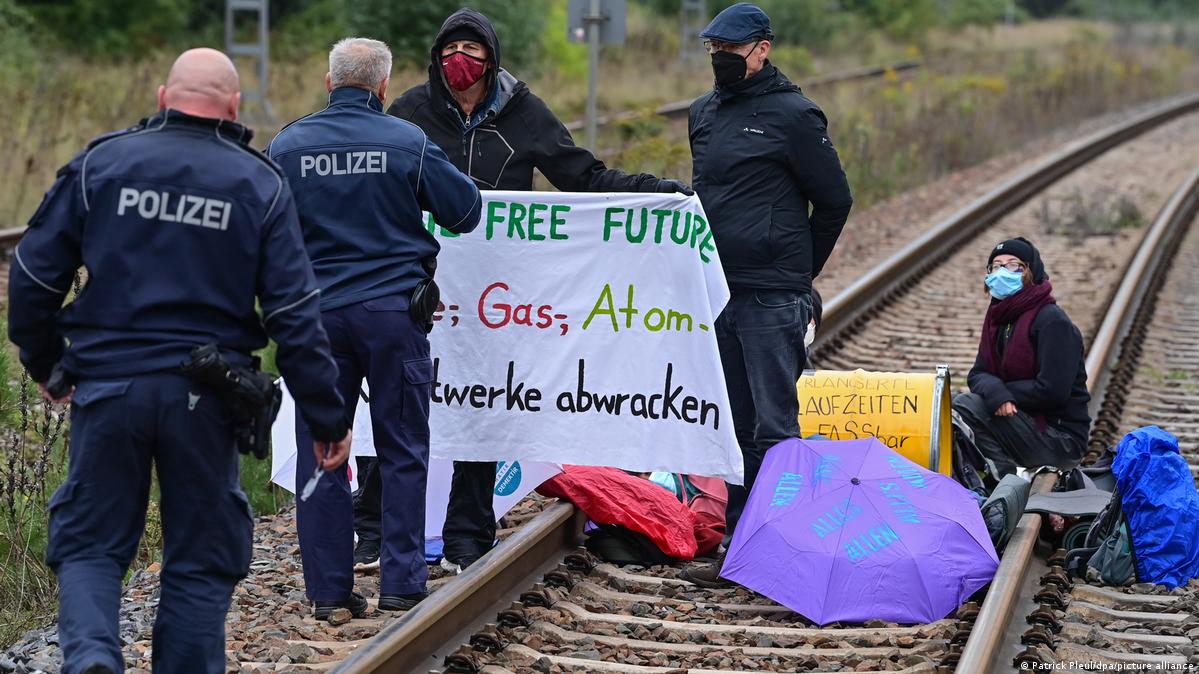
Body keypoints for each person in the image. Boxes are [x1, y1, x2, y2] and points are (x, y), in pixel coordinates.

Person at [8, 49, 350, 674]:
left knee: (89, 544)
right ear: (234, 108)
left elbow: (32, 278)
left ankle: (90, 662)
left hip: (109, 387)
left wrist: (48, 364)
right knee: (201, 556)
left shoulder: (102, 164)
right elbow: (296, 316)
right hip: (207, 396)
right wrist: (327, 416)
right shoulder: (259, 185)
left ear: (165, 97)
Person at [346, 7, 692, 574]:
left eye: (473, 51)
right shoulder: (408, 112)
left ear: (492, 59)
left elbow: (583, 174)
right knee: (398, 403)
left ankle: (467, 536)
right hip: (418, 287)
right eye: (451, 50)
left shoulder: (524, 112)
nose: (461, 61)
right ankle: (373, 528)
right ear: (436, 60)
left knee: (485, 406)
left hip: (498, 297)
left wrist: (654, 195)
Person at [267, 37, 482, 618]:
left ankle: (330, 594)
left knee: (322, 451)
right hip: (392, 317)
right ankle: (401, 585)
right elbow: (465, 211)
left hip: (314, 322)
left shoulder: (288, 145)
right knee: (403, 447)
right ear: (384, 87)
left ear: (328, 81)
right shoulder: (407, 142)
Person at [679, 3, 853, 587]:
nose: (719, 59)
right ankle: (738, 541)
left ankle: (782, 548)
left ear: (762, 49)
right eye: (713, 50)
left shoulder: (796, 115)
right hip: (717, 290)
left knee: (776, 426)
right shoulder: (703, 112)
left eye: (729, 50)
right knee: (730, 424)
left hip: (772, 295)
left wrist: (797, 272)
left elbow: (835, 201)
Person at [953, 237, 1090, 478]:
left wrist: (1004, 394)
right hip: (1024, 424)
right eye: (996, 266)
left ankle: (1002, 480)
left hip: (1059, 439)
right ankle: (1002, 474)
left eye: (1013, 265)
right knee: (954, 405)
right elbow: (978, 373)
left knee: (967, 405)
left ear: (1030, 271)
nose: (1002, 272)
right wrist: (997, 394)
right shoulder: (999, 318)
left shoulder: (1052, 321)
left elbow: (1053, 390)